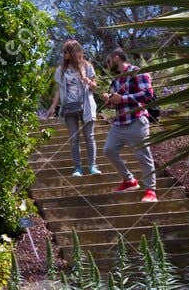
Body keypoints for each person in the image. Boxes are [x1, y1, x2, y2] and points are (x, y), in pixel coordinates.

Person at [103, 47, 156, 203]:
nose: (108, 63)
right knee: (108, 150)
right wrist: (109, 100)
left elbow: (148, 94)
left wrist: (123, 98)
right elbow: (116, 103)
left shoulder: (137, 71)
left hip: (137, 120)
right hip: (119, 122)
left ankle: (151, 191)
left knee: (143, 155)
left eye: (109, 60)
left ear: (117, 57)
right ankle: (129, 181)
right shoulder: (116, 79)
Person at [47, 39, 99, 176]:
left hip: (86, 106)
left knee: (90, 136)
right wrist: (53, 106)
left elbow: (95, 86)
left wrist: (88, 81)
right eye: (63, 52)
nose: (63, 54)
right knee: (74, 139)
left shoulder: (87, 66)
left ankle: (92, 166)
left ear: (73, 52)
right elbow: (59, 89)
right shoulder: (61, 70)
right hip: (69, 108)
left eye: (66, 51)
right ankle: (78, 168)